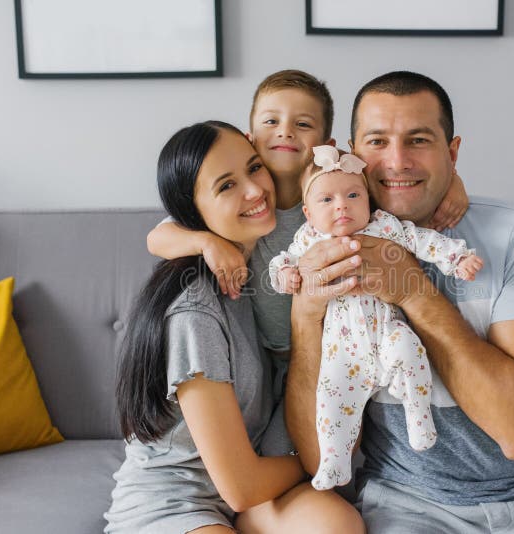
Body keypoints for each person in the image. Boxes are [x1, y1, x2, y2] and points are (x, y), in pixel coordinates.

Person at [285, 72, 514, 533]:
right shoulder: (318, 251)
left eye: (418, 140)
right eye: (377, 142)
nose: (396, 162)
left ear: (452, 153)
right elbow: (319, 455)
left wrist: (412, 289)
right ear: (350, 154)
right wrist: (305, 313)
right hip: (406, 505)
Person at [146, 70, 470, 444]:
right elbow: (157, 236)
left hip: (331, 349)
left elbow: (390, 183)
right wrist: (207, 244)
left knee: (322, 439)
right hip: (265, 358)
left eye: (302, 124)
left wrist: (454, 182)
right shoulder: (243, 199)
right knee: (283, 446)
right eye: (272, 122)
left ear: (327, 145)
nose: (285, 132)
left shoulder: (333, 193)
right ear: (250, 138)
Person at [105, 121, 363, 534]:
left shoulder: (267, 256)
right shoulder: (194, 310)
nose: (254, 191)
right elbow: (240, 487)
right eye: (226, 186)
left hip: (249, 498)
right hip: (177, 500)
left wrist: (454, 191)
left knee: (336, 525)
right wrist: (318, 461)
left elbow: (365, 199)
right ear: (193, 213)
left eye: (255, 168)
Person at [269, 145, 483, 490]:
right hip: (343, 348)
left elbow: (421, 239)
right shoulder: (308, 240)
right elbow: (282, 261)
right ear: (308, 213)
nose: (341, 205)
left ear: (369, 200)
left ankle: (418, 416)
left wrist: (455, 258)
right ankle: (335, 461)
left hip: (386, 332)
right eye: (327, 200)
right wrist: (285, 276)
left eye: (353, 195)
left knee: (409, 350)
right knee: (332, 397)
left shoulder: (383, 226)